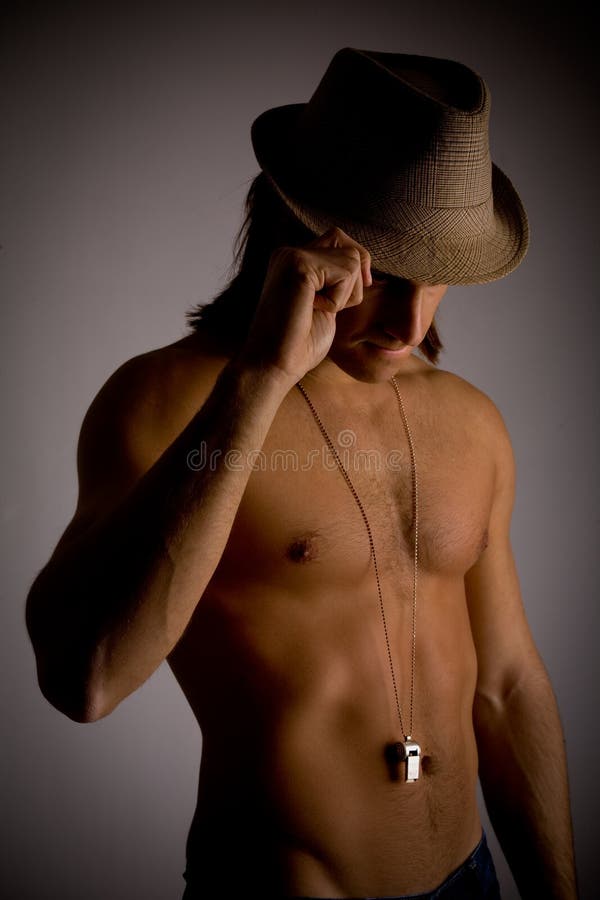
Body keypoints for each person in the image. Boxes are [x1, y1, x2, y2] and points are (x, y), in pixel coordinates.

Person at [25, 48, 578, 899]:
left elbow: (506, 686)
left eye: (437, 280)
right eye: (384, 273)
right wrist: (259, 381)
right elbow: (85, 679)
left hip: (473, 877)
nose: (408, 322)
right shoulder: (167, 402)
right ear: (297, 228)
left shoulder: (471, 420)